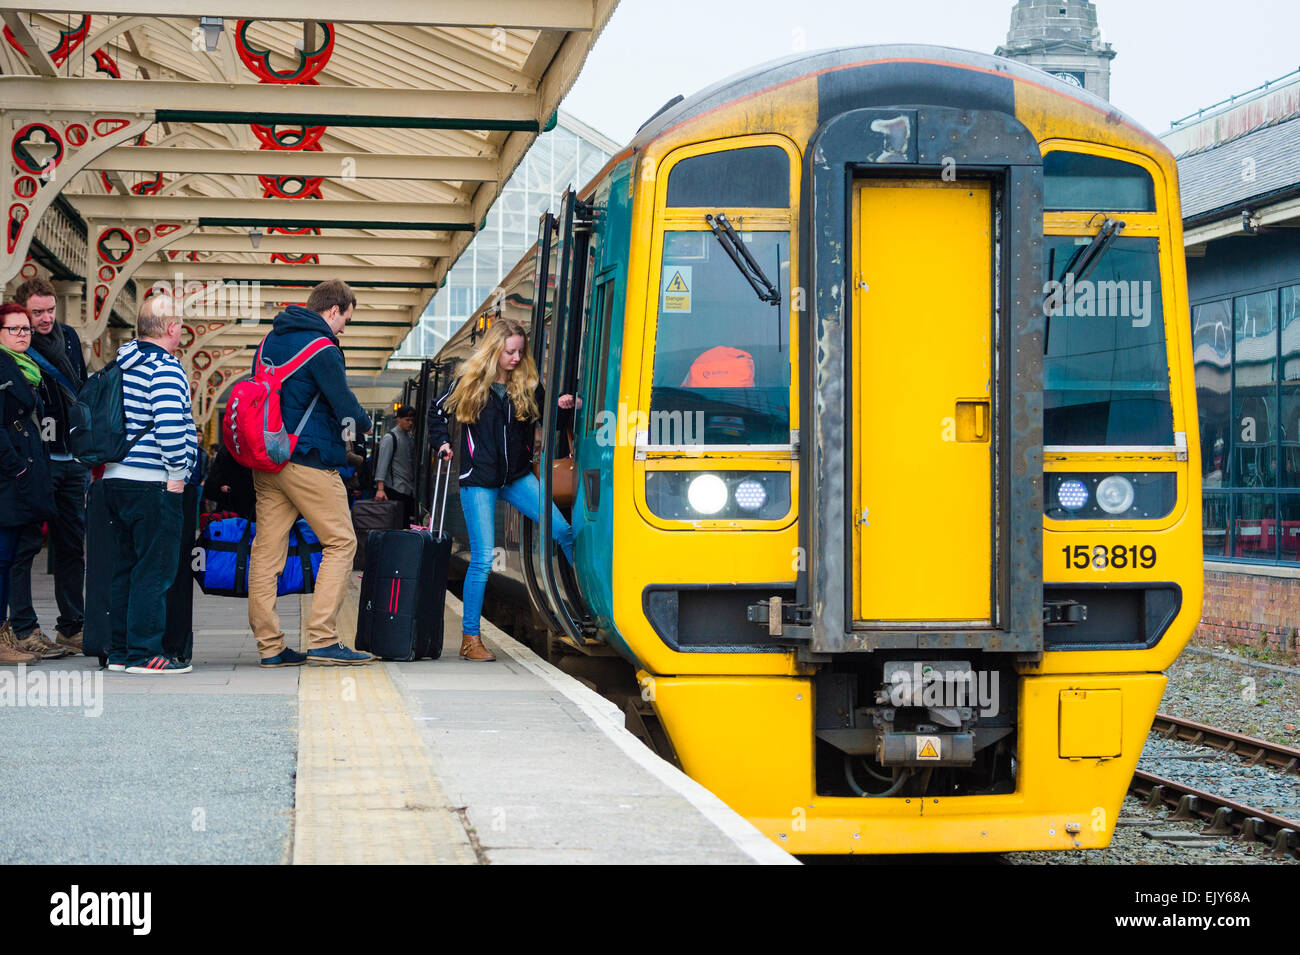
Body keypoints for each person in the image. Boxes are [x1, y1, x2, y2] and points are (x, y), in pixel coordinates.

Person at [427, 319, 576, 662]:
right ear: (494, 350)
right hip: (478, 479)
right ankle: (470, 639)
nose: (515, 357)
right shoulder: (470, 382)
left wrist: (564, 405)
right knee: (481, 560)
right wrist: (442, 443)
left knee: (564, 531)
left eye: (520, 352)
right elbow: (436, 411)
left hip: (517, 477)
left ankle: (587, 608)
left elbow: (550, 414)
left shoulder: (525, 384)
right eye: (509, 351)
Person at [247, 280, 373, 667]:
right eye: (345, 321)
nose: (344, 329)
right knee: (341, 543)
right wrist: (364, 424)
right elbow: (344, 406)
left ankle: (270, 646)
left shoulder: (270, 341)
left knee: (267, 552)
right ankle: (322, 638)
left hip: (269, 460)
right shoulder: (323, 348)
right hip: (308, 461)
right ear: (333, 310)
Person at [102, 294, 198, 674]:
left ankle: (122, 652)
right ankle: (145, 653)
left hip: (115, 479)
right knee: (153, 571)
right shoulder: (166, 368)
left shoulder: (119, 365)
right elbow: (170, 425)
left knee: (124, 567)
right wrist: (178, 474)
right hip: (153, 483)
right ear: (172, 329)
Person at [7, 277, 88, 659]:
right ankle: (25, 628)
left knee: (72, 545)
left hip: (71, 459)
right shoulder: (17, 345)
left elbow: (81, 388)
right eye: (36, 312)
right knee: (25, 547)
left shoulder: (69, 337)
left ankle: (72, 626)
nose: (44, 319)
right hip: (37, 461)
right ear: (23, 310)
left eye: (50, 310)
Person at [0, 303, 53, 664]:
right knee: (3, 557)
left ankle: (8, 632)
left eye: (25, 329)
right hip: (9, 476)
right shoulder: (5, 368)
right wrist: (15, 466)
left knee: (13, 554)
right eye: (14, 329)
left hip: (24, 473)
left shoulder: (27, 368)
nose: (23, 334)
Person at [373, 405, 417, 527]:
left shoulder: (410, 438)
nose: (410, 423)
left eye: (412, 420)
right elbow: (382, 465)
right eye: (407, 420)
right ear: (398, 419)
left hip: (408, 490)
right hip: (394, 489)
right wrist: (380, 489)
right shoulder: (390, 438)